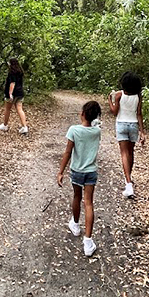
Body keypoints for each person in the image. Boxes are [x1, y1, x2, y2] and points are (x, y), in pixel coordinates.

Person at [56, 100, 102, 257]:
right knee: (89, 203)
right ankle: (88, 241)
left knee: (77, 196)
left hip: (76, 170)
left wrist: (61, 171)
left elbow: (68, 152)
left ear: (82, 113)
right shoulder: (97, 131)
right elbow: (96, 125)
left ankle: (75, 225)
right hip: (91, 171)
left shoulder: (74, 130)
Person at [108, 71, 145, 198]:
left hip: (121, 124)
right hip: (133, 124)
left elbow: (114, 112)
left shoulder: (119, 94)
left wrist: (110, 100)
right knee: (130, 152)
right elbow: (139, 114)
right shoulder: (138, 96)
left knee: (124, 153)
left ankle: (128, 183)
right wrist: (142, 131)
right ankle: (129, 177)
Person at [0, 58, 28, 134]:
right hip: (20, 93)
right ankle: (24, 127)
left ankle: (5, 125)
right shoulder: (20, 72)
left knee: (7, 109)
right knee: (20, 109)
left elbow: (12, 83)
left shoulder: (12, 73)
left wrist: (10, 94)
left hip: (13, 93)